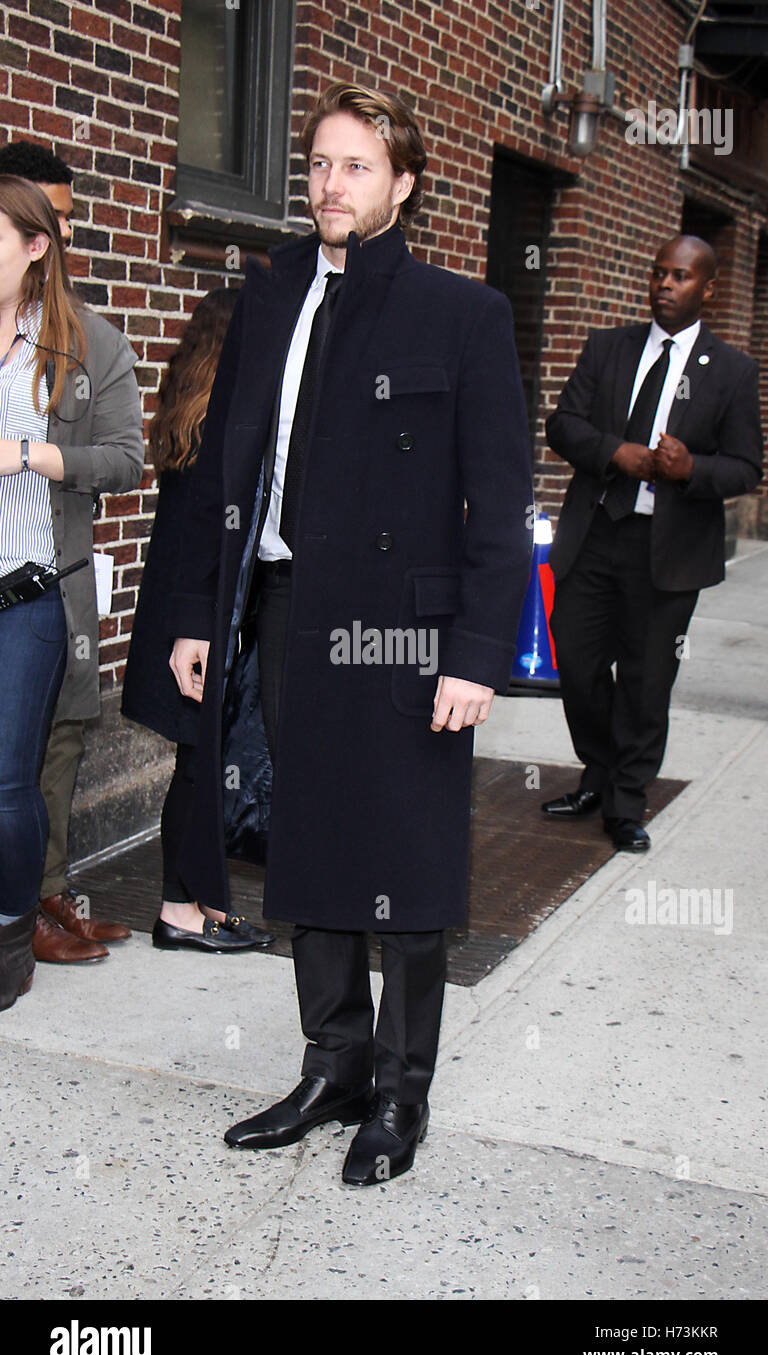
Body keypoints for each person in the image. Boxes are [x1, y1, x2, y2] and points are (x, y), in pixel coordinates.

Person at [168, 82, 532, 1185]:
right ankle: (331, 1062)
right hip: (287, 609)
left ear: (405, 183)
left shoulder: (462, 314)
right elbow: (225, 468)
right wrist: (196, 611)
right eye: (320, 164)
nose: (331, 184)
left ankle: (399, 1092)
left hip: (408, 637)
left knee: (407, 861)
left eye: (358, 166)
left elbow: (499, 501)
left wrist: (476, 653)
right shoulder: (271, 293)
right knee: (312, 844)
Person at [542, 234, 763, 852]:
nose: (666, 285)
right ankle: (599, 769)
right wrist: (616, 451)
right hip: (596, 535)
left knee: (645, 681)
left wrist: (691, 468)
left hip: (668, 554)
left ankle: (625, 801)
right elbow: (563, 424)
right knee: (579, 666)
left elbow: (747, 467)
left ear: (708, 290)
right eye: (659, 274)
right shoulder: (608, 348)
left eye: (682, 277)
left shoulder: (733, 372)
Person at [0, 175, 144, 1010]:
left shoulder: (87, 343)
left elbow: (127, 460)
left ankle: (14, 937)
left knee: (14, 777)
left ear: (35, 246)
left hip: (30, 590)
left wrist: (28, 455)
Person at [121, 289, 274, 953]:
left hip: (187, 610)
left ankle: (202, 901)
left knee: (202, 764)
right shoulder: (224, 424)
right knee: (196, 766)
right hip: (197, 619)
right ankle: (178, 911)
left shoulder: (196, 411)